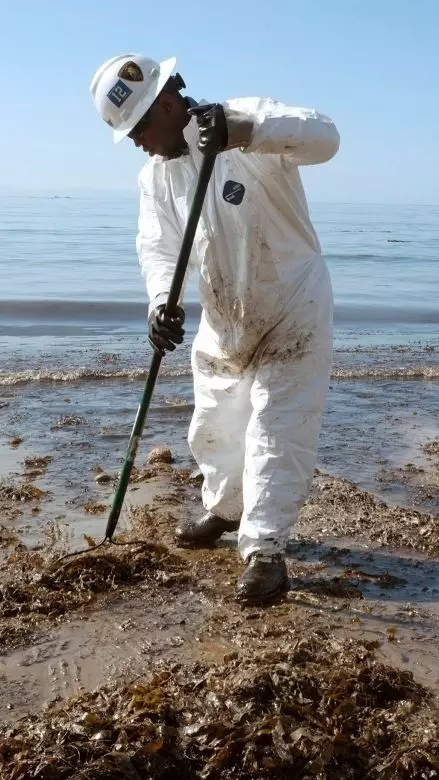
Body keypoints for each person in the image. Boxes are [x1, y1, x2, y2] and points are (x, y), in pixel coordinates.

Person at [89, 53, 339, 604]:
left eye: (139, 129)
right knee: (216, 421)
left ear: (167, 102)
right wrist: (161, 302)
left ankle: (266, 551)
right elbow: (157, 246)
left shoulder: (247, 122)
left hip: (291, 306)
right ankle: (225, 511)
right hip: (225, 315)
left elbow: (327, 138)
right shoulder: (156, 175)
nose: (136, 143)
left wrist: (247, 131)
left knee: (277, 428)